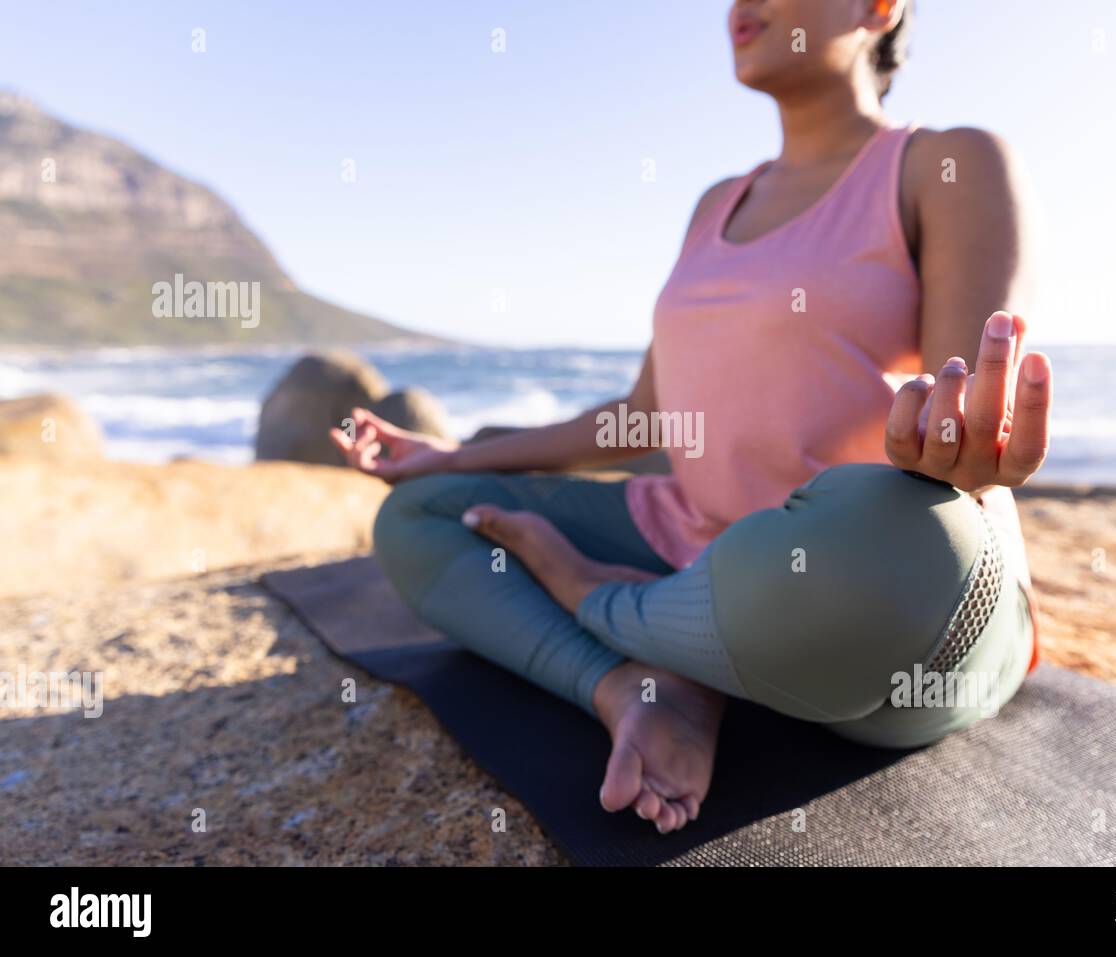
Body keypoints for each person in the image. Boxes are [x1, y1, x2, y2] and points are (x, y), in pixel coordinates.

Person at [332, 0, 1052, 835]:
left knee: (884, 539)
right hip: (698, 547)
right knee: (423, 516)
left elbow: (957, 418)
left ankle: (607, 604)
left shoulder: (947, 163)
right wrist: (452, 456)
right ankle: (638, 684)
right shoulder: (717, 202)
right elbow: (644, 419)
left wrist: (960, 449)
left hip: (858, 576)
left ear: (878, 6)